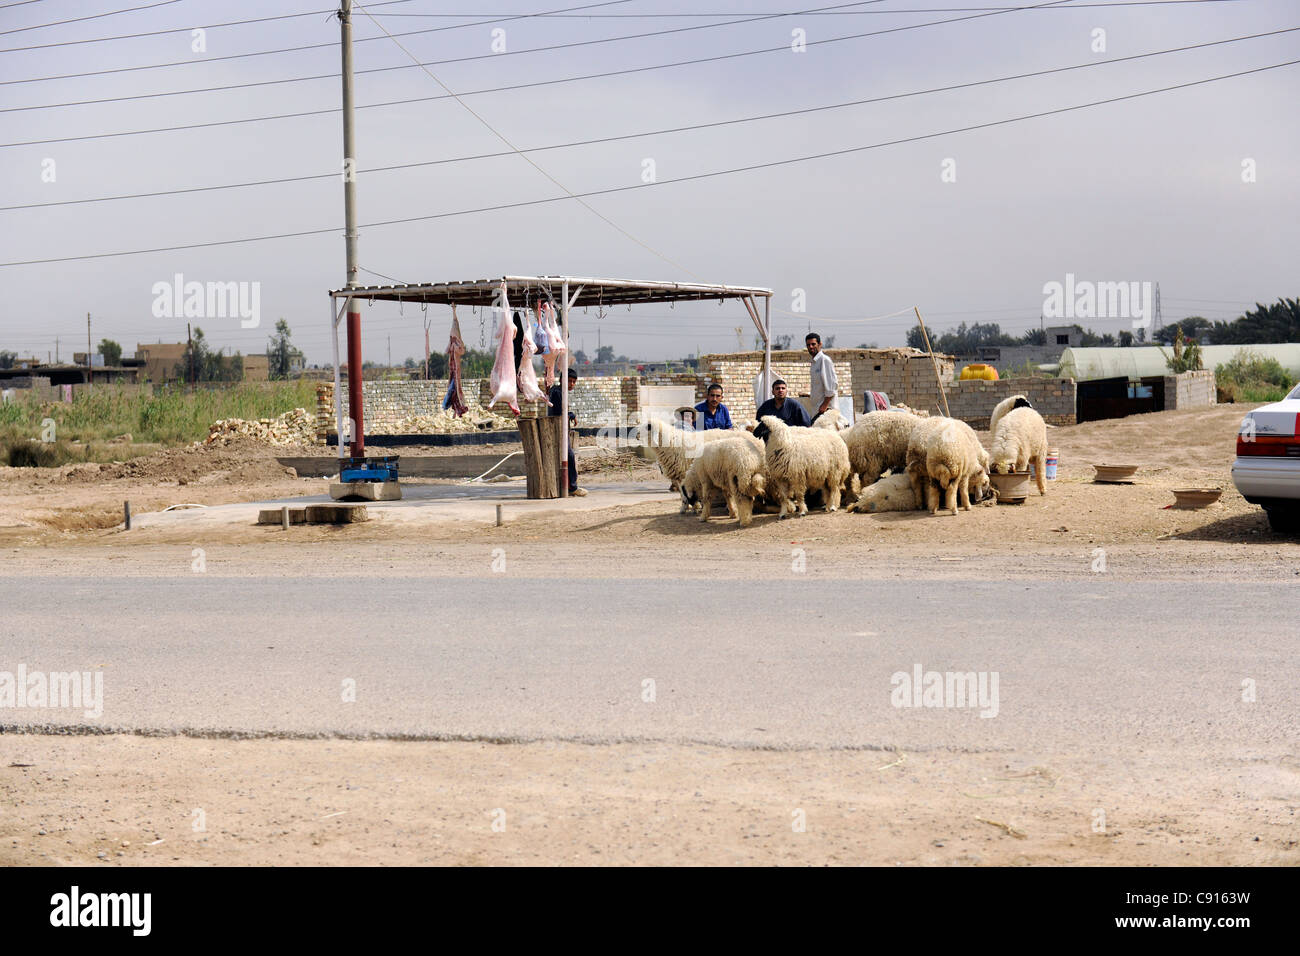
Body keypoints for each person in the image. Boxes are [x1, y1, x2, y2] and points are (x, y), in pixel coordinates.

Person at [548, 367, 585, 496]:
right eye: (569, 381)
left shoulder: (558, 391)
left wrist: (570, 414)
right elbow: (559, 411)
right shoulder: (558, 392)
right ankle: (573, 487)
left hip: (560, 429)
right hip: (558, 430)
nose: (572, 384)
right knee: (569, 456)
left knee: (568, 457)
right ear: (562, 380)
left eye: (574, 382)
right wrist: (571, 415)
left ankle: (569, 486)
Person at [806, 332, 838, 422]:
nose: (811, 347)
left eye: (813, 344)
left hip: (825, 411)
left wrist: (825, 405)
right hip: (817, 410)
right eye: (808, 345)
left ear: (820, 344)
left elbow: (831, 386)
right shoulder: (814, 363)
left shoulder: (824, 360)